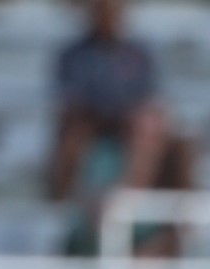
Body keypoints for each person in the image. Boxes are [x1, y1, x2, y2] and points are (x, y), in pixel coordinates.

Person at [46, 0, 166, 203]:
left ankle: (129, 198)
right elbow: (72, 97)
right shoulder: (73, 54)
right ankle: (62, 201)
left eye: (114, 10)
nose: (109, 16)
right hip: (88, 121)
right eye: (103, 10)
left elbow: (147, 96)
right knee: (72, 132)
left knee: (146, 126)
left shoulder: (138, 54)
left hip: (126, 121)